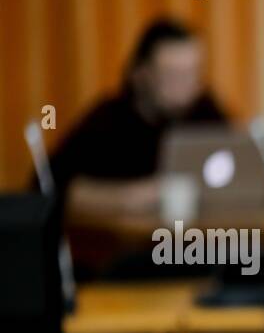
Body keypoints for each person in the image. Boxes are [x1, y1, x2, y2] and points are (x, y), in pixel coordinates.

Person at [48, 18, 227, 218]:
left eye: (192, 74)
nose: (184, 87)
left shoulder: (207, 113)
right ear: (141, 74)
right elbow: (51, 187)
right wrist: (125, 198)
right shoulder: (108, 121)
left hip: (195, 244)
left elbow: (247, 179)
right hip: (126, 245)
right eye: (172, 75)